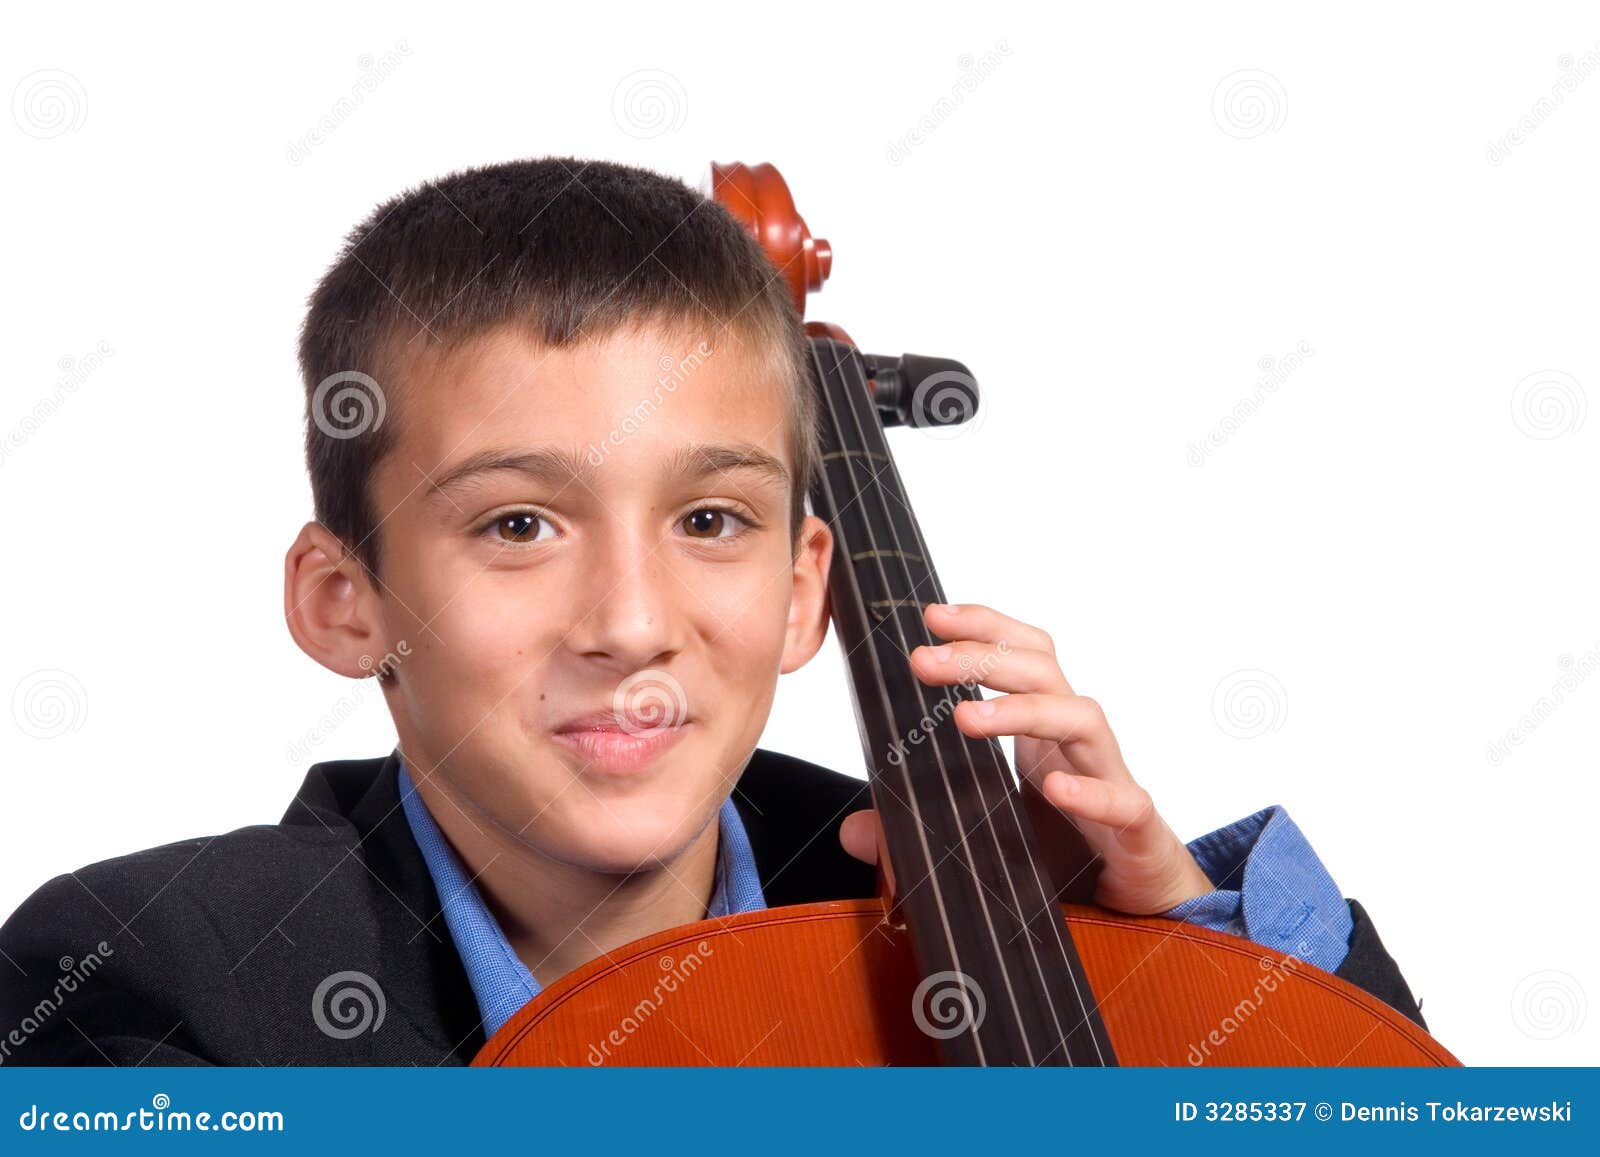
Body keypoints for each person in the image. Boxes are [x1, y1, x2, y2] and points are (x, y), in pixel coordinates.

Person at [0, 158, 1426, 1066]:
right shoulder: (149, 980)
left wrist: (1183, 956)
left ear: (806, 590)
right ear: (346, 601)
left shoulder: (962, 927)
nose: (631, 624)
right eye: (518, 525)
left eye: (710, 521)